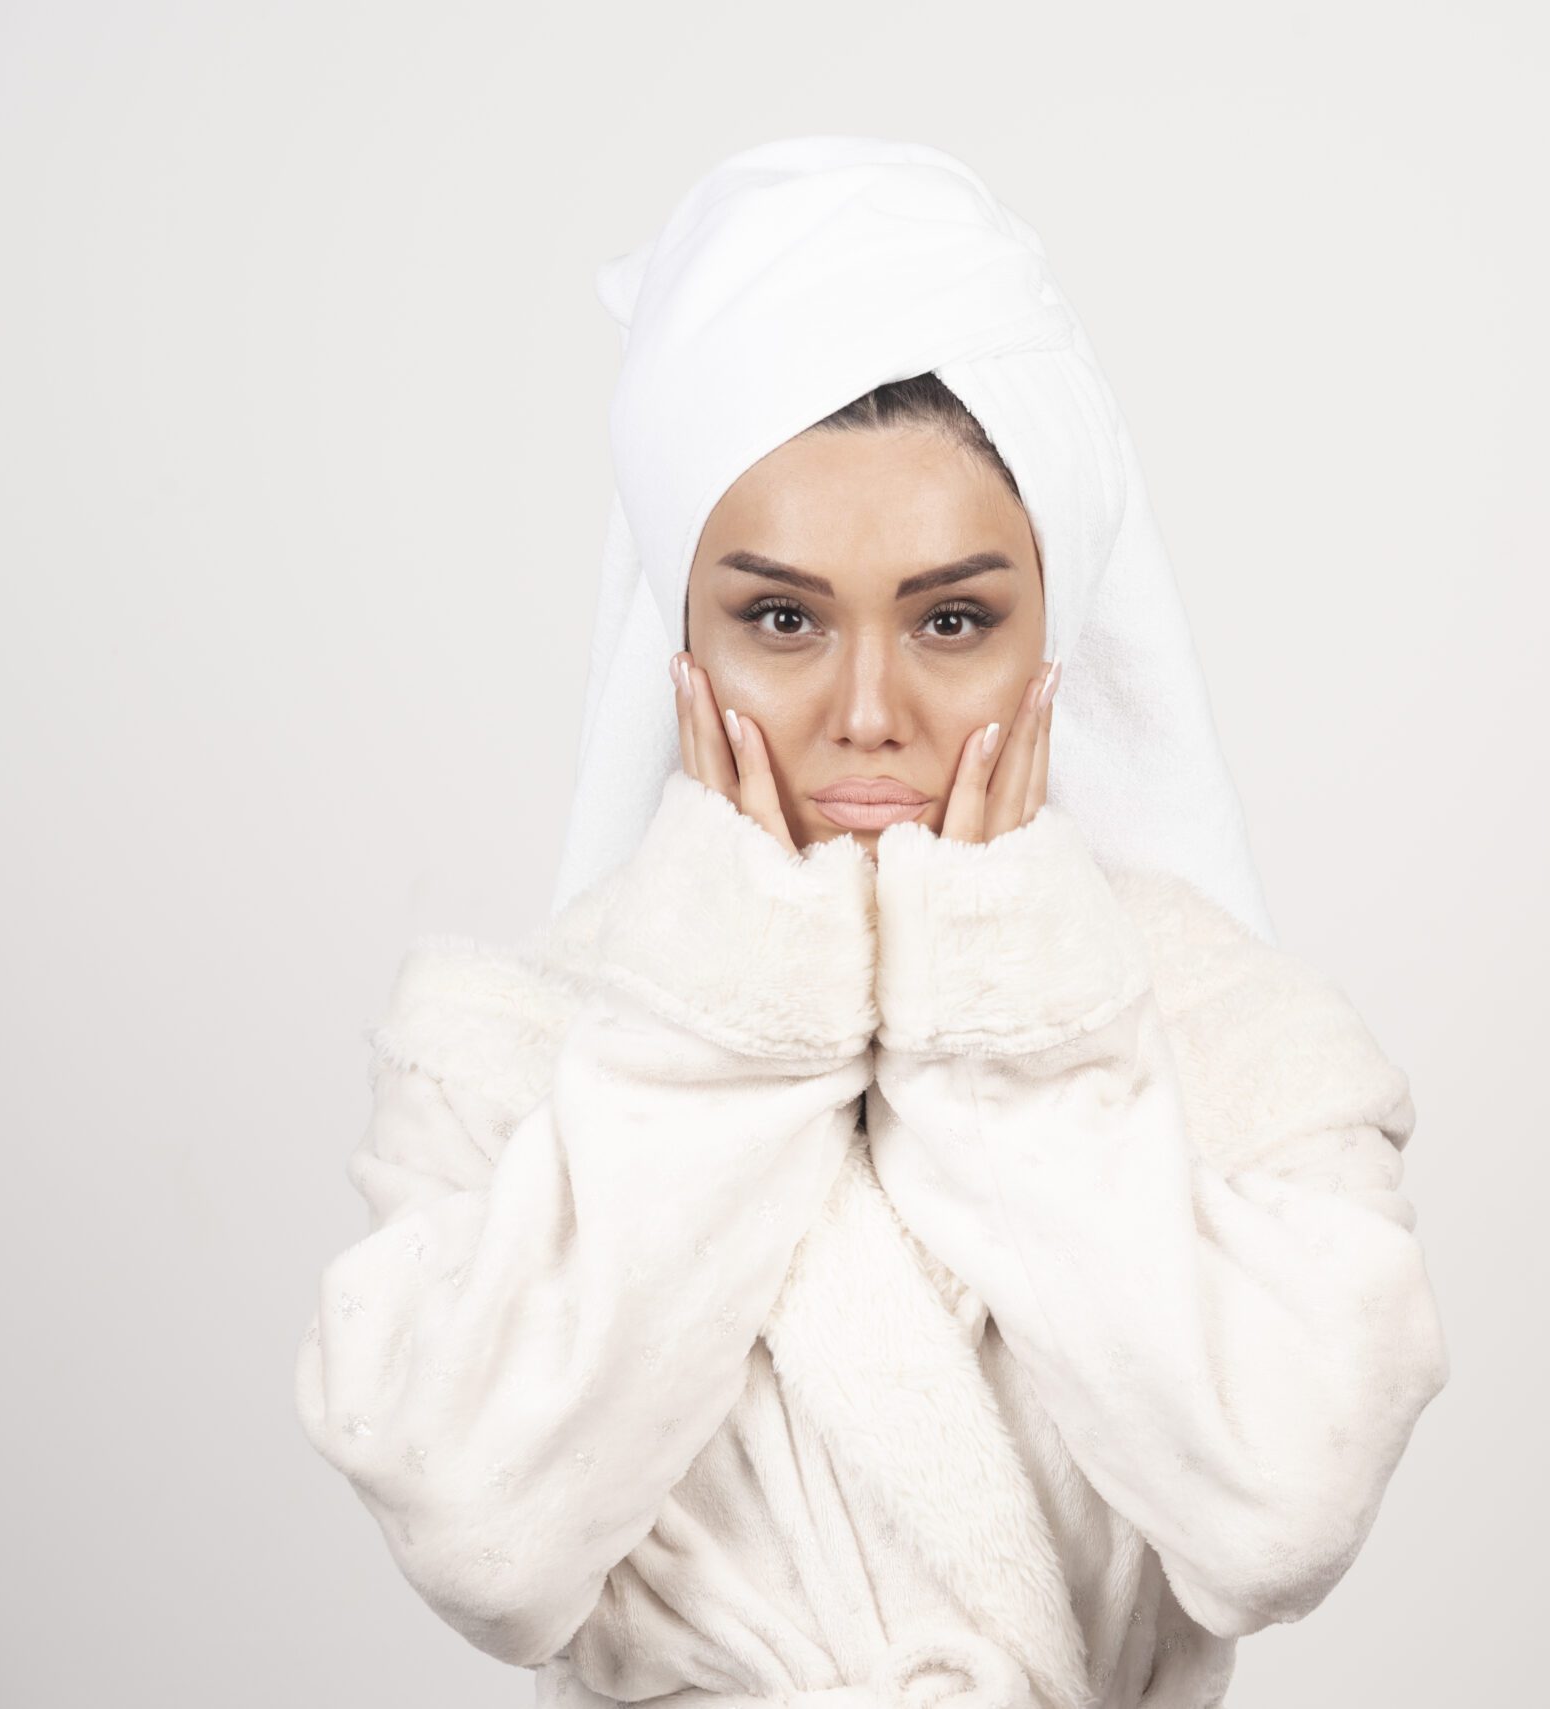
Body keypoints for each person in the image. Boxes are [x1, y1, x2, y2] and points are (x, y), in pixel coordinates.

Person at [293, 136, 1450, 1709]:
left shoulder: (1237, 1041)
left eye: (953, 620)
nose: (866, 713)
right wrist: (725, 1025)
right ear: (675, 635)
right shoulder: (506, 1053)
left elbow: (1274, 1513)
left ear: (1060, 630)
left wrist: (1011, 1034)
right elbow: (490, 1540)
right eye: (781, 618)